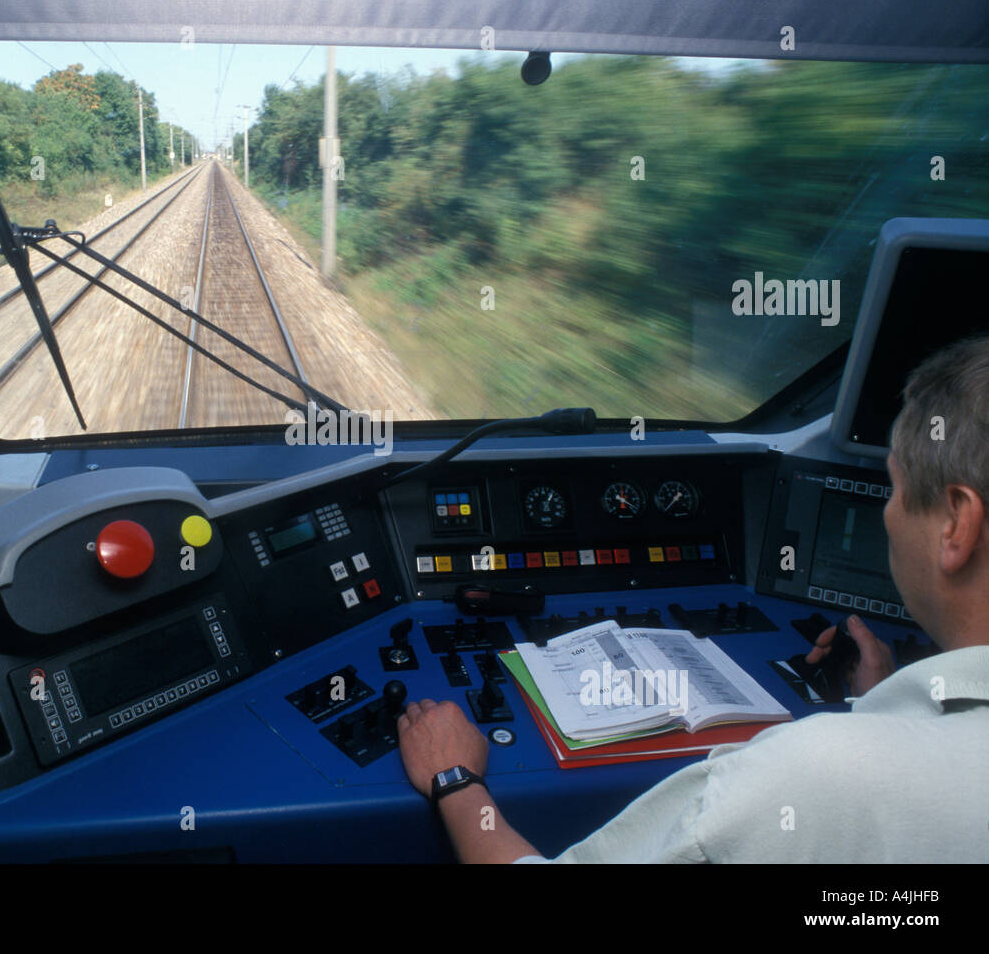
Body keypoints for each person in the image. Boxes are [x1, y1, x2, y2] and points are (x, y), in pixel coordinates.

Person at [397, 334, 989, 862]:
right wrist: (876, 707)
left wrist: (455, 780)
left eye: (895, 488)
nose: (888, 514)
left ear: (956, 525)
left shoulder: (809, 776)